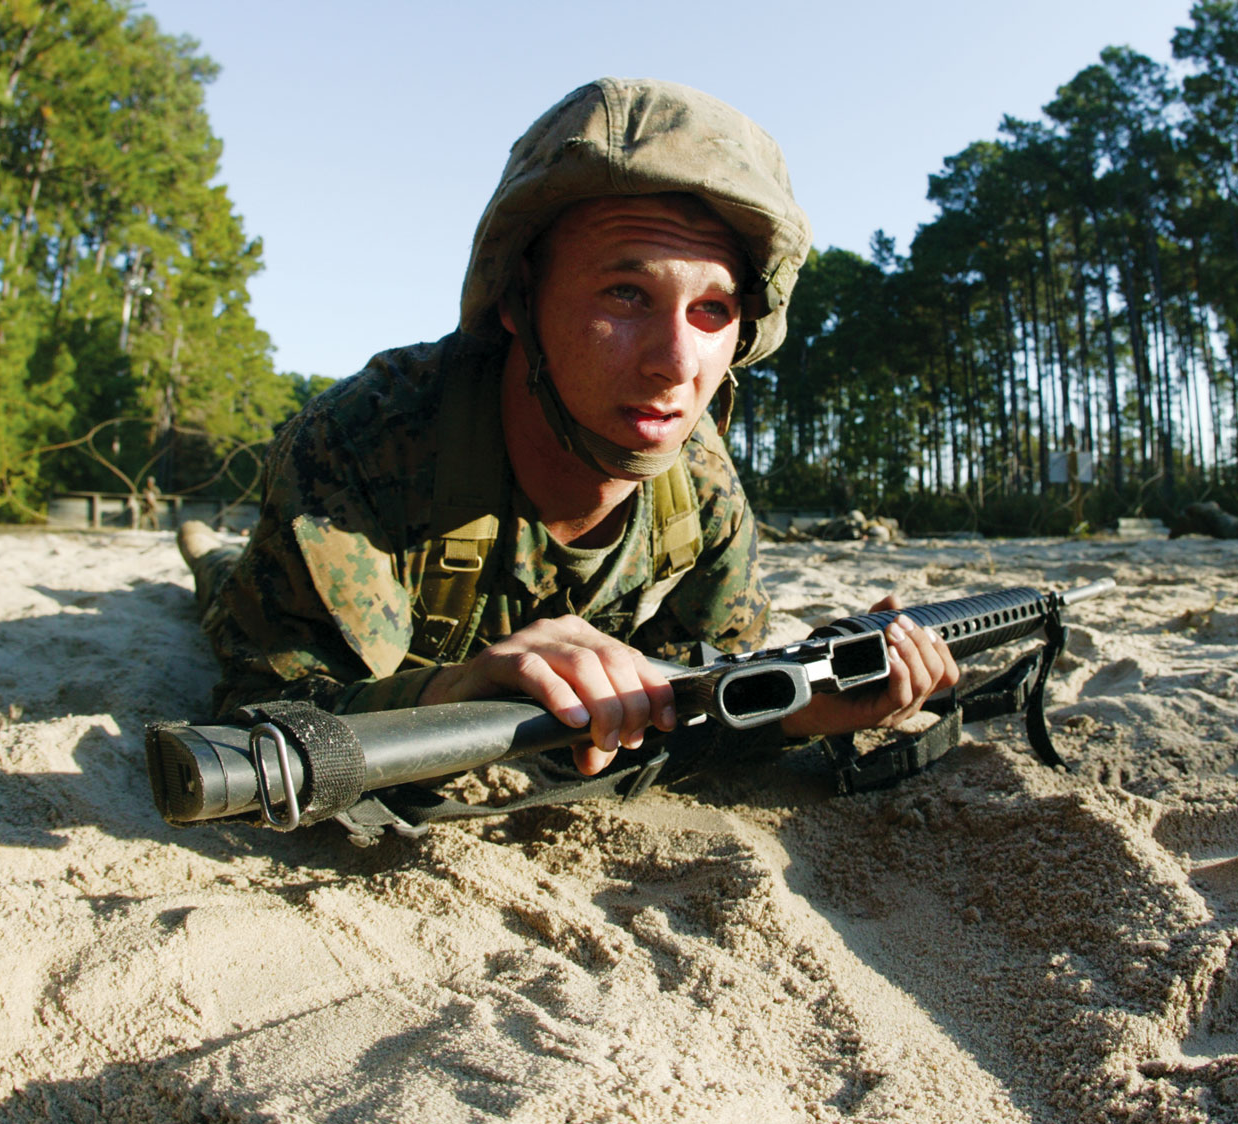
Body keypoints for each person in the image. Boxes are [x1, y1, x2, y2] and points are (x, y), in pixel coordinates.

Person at [178, 78, 957, 784]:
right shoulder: (366, 445)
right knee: (223, 590)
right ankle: (204, 555)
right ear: (519, 300)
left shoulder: (704, 489)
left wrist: (804, 708)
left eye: (712, 310)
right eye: (625, 294)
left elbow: (715, 675)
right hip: (348, 609)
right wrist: (456, 689)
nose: (675, 362)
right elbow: (266, 706)